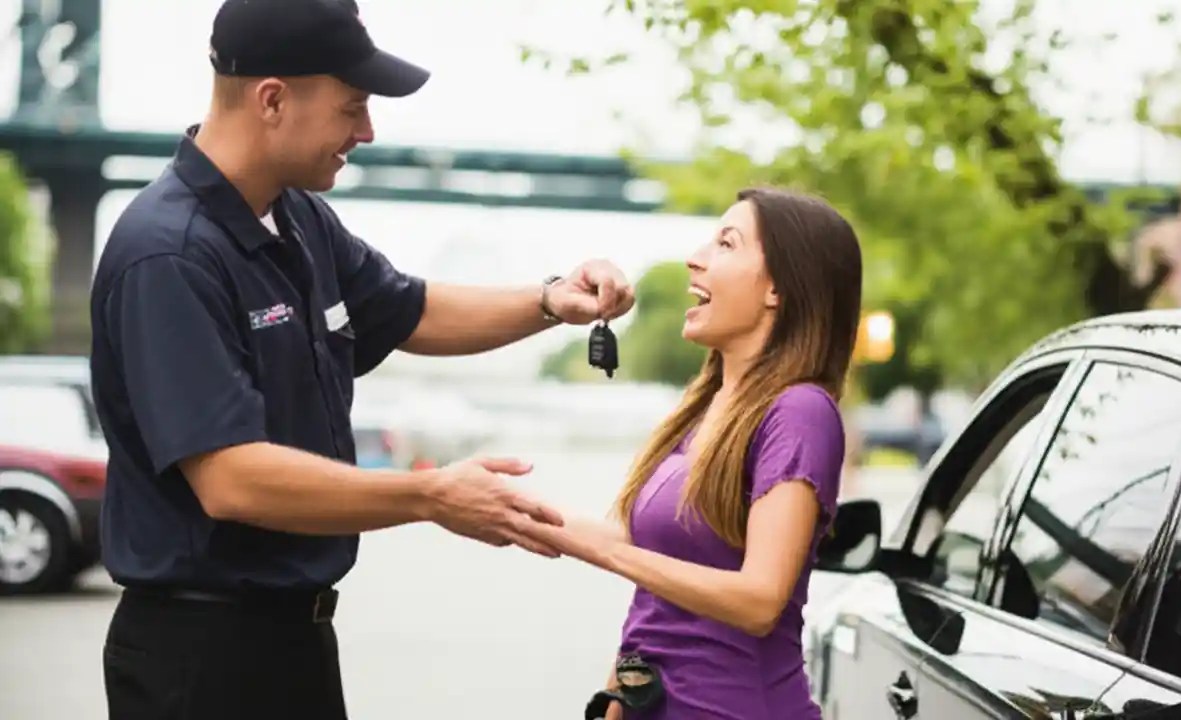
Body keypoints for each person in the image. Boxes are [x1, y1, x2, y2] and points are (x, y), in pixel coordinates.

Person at [87, 1, 634, 719]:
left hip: (295, 639)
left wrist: (548, 299)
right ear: (273, 99)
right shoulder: (171, 255)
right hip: (200, 658)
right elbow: (231, 479)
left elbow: (409, 309)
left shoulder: (297, 217)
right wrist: (432, 496)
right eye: (354, 107)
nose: (367, 132)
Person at [523, 187, 862, 719]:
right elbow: (654, 601)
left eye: (726, 244)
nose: (695, 257)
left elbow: (759, 600)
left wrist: (610, 556)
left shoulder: (799, 412)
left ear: (778, 288)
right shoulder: (705, 407)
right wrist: (516, 512)